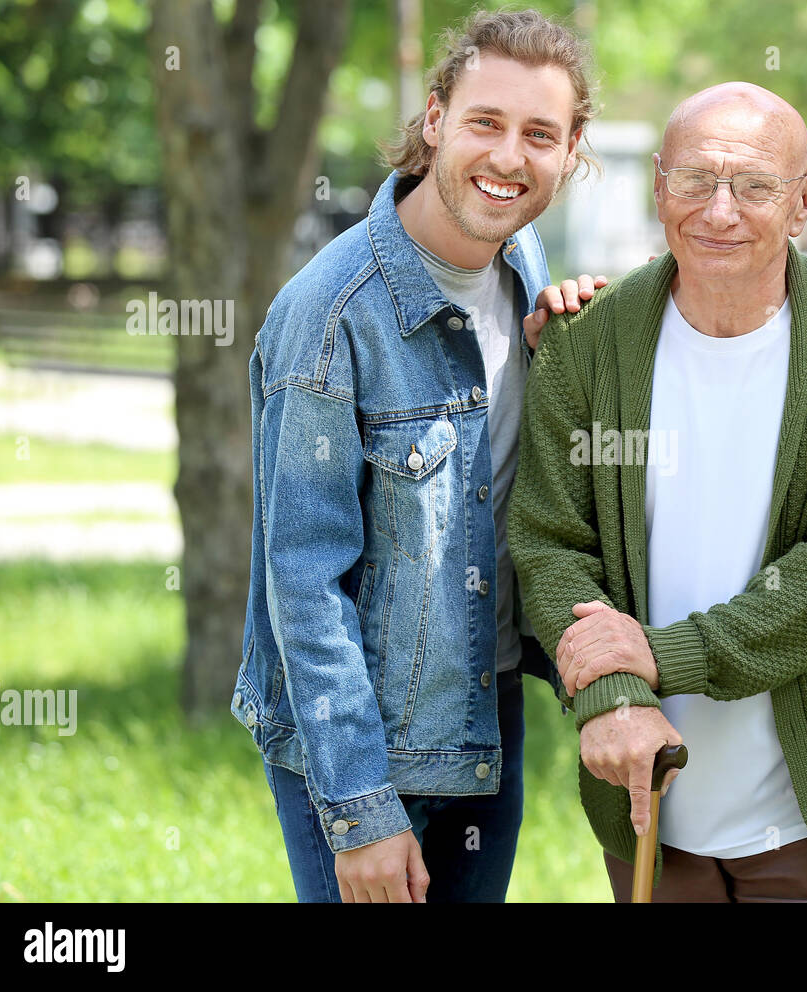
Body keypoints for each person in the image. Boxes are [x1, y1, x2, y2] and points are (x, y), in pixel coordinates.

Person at [508, 81, 807, 902]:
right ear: (660, 185)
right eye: (695, 180)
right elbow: (550, 544)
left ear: (805, 202)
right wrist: (616, 692)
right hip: (648, 817)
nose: (719, 210)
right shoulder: (581, 342)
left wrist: (659, 655)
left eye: (755, 186)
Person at [229, 8, 598, 903]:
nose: (509, 158)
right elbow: (304, 581)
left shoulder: (523, 262)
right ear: (435, 120)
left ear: (572, 150)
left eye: (539, 134)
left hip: (487, 708)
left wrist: (560, 361)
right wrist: (360, 808)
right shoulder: (329, 316)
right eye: (485, 122)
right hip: (364, 741)